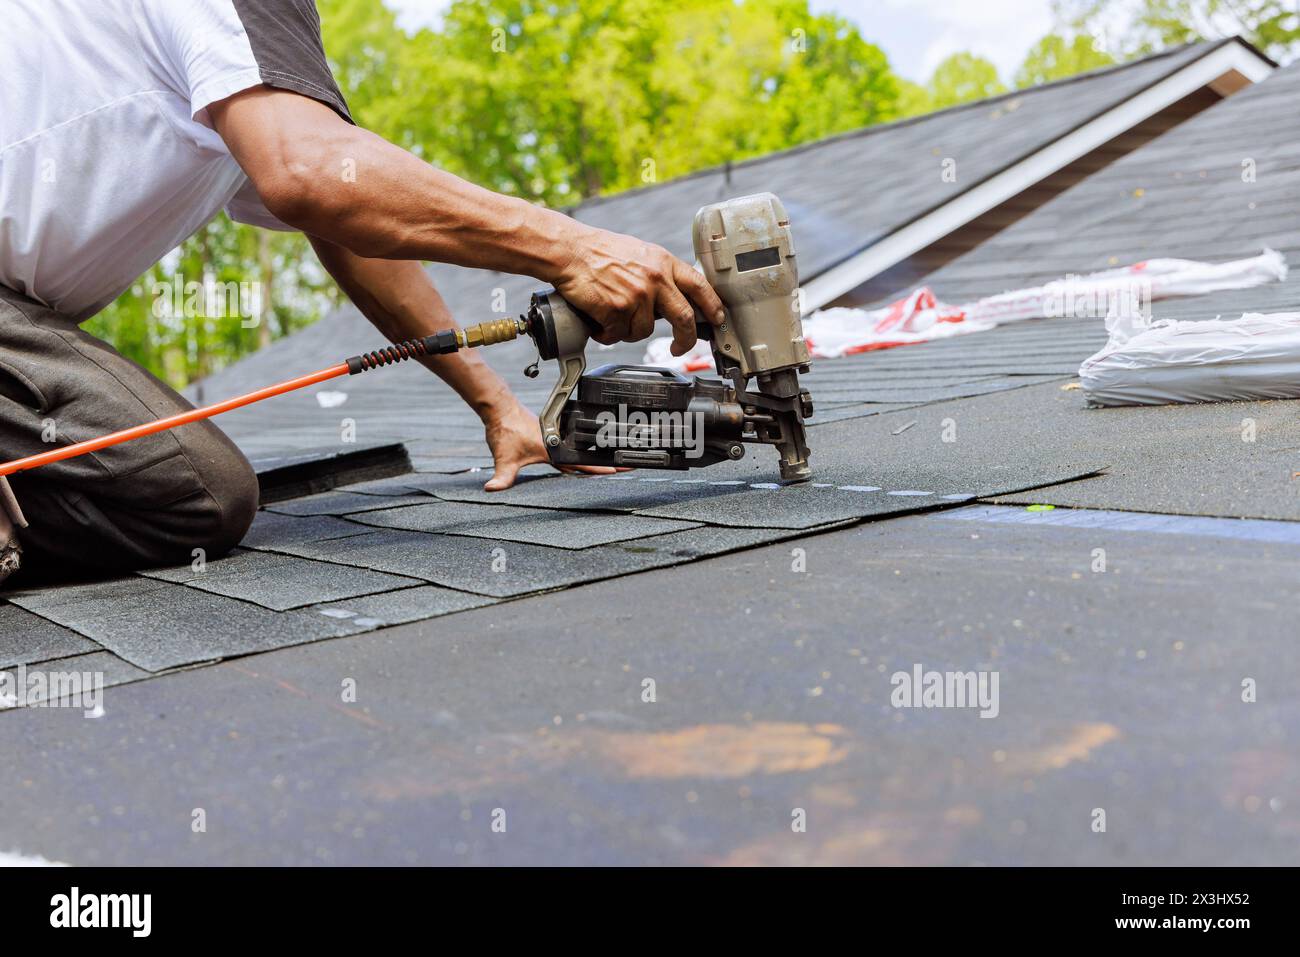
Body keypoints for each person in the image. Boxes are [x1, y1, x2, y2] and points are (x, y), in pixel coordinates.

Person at [0, 0, 722, 586]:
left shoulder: (244, 61)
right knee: (196, 493)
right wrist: (574, 249)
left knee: (190, 488)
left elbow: (343, 221)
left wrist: (497, 408)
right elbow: (309, 171)